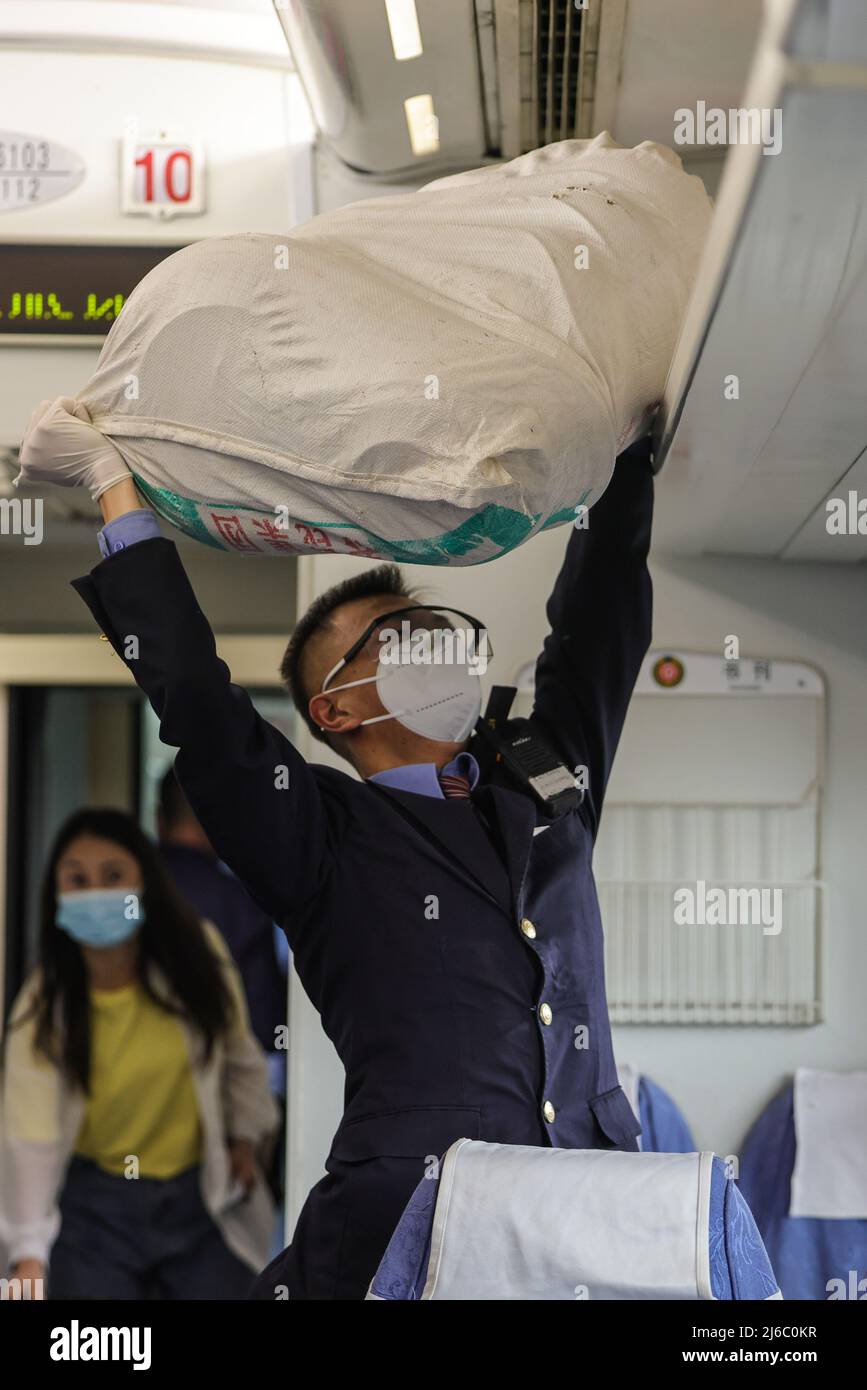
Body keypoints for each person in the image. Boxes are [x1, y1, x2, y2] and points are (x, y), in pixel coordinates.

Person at [19, 397, 654, 1300]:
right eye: (395, 638)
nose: (431, 643)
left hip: (593, 1204)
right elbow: (198, 700)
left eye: (429, 624)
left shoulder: (541, 779)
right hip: (417, 1219)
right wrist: (111, 488)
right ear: (335, 711)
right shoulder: (317, 833)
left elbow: (596, 633)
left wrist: (625, 461)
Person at [1, 807, 278, 1299]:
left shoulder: (198, 956)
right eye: (77, 880)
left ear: (145, 885)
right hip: (95, 1209)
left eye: (113, 876)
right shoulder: (44, 1004)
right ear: (57, 897)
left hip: (200, 1197)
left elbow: (240, 1057)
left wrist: (244, 1136)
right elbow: (30, 1136)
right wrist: (27, 1255)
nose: (96, 894)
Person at [157, 766, 287, 1070]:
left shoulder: (129, 891)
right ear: (221, 821)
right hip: (211, 1077)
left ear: (159, 818)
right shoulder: (242, 901)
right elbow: (266, 1022)